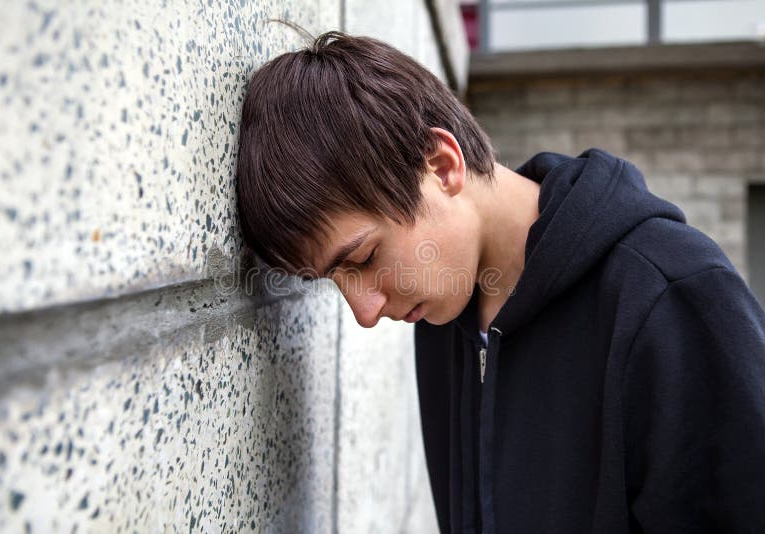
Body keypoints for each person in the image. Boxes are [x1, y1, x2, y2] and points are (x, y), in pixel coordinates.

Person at [234, 28, 765, 533]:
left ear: (442, 166)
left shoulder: (673, 295)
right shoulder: (444, 313)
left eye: (366, 257)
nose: (366, 312)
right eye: (333, 279)